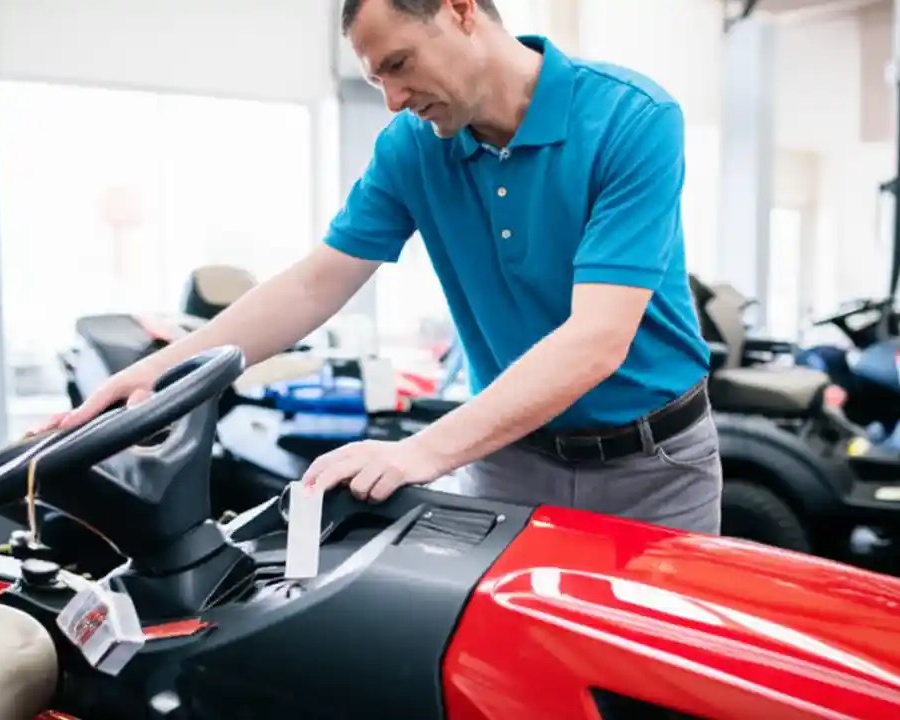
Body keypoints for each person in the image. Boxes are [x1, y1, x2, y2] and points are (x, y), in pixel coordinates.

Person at [46, 0, 721, 533]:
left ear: (461, 11)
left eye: (400, 64)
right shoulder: (413, 146)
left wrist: (418, 454)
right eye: (377, 81)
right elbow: (315, 284)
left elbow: (596, 340)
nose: (394, 100)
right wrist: (156, 373)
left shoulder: (632, 117)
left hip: (654, 471)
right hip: (508, 461)